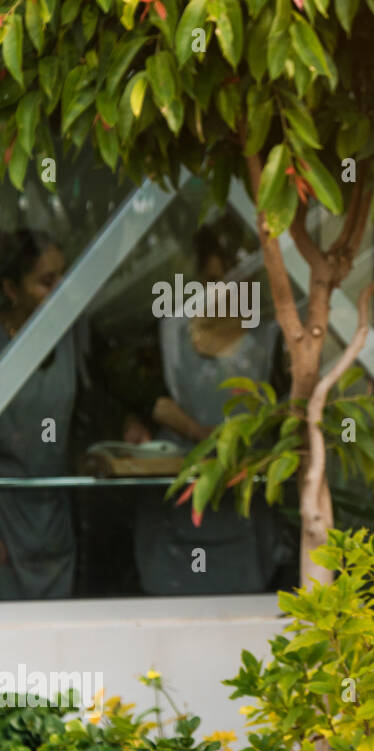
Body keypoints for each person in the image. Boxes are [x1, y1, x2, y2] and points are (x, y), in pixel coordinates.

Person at [132, 224, 283, 594]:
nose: (223, 292)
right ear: (199, 279)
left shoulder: (273, 339)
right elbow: (139, 399)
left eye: (234, 280)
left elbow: (285, 421)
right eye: (214, 280)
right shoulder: (168, 332)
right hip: (174, 510)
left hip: (245, 511)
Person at [0, 229, 74, 600]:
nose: (61, 289)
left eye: (64, 276)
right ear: (12, 290)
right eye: (47, 282)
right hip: (7, 525)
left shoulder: (75, 337)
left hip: (58, 518)